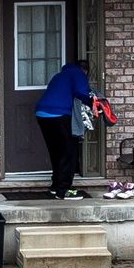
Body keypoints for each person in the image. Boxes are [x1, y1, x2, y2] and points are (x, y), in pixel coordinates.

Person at [34, 54, 99, 199]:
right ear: (85, 70)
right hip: (59, 115)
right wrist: (95, 103)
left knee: (56, 151)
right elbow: (82, 92)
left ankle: (55, 186)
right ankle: (64, 190)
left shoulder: (60, 75)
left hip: (42, 114)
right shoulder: (78, 73)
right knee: (69, 152)